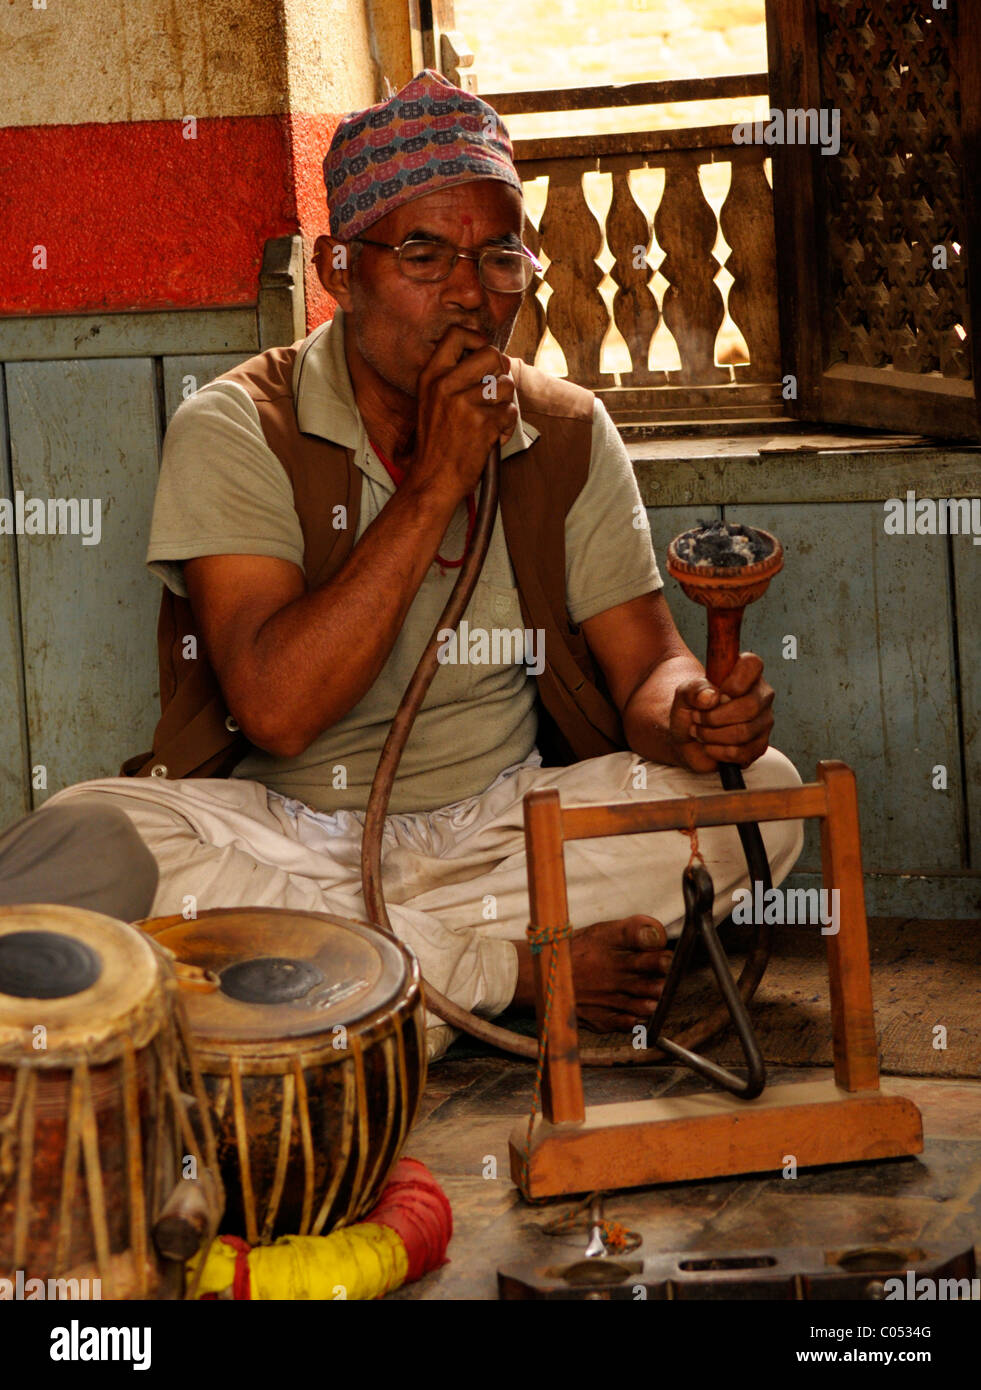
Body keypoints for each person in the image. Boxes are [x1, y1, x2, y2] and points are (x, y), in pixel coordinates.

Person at [16, 71, 802, 1057]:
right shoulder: (236, 425)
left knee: (758, 798)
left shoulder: (564, 429)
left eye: (500, 254)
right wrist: (437, 482)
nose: (472, 292)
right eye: (424, 253)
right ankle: (507, 974)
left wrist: (690, 713)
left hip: (502, 832)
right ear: (340, 270)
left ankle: (327, 988)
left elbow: (647, 666)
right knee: (78, 838)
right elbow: (276, 705)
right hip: (282, 839)